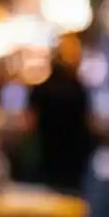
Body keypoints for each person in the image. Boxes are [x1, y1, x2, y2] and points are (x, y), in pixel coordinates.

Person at [26, 41, 95, 193]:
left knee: (50, 192)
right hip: (74, 152)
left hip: (48, 149)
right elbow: (88, 120)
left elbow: (30, 122)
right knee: (73, 193)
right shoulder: (77, 87)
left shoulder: (41, 89)